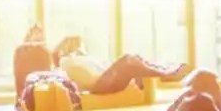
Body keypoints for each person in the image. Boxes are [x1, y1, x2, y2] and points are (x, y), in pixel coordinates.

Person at [52, 36, 190, 94]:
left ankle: (165, 71)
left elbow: (100, 67)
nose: (81, 48)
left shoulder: (82, 59)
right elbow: (87, 75)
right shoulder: (66, 61)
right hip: (98, 86)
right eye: (78, 45)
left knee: (133, 59)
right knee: (128, 59)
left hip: (102, 80)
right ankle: (166, 73)